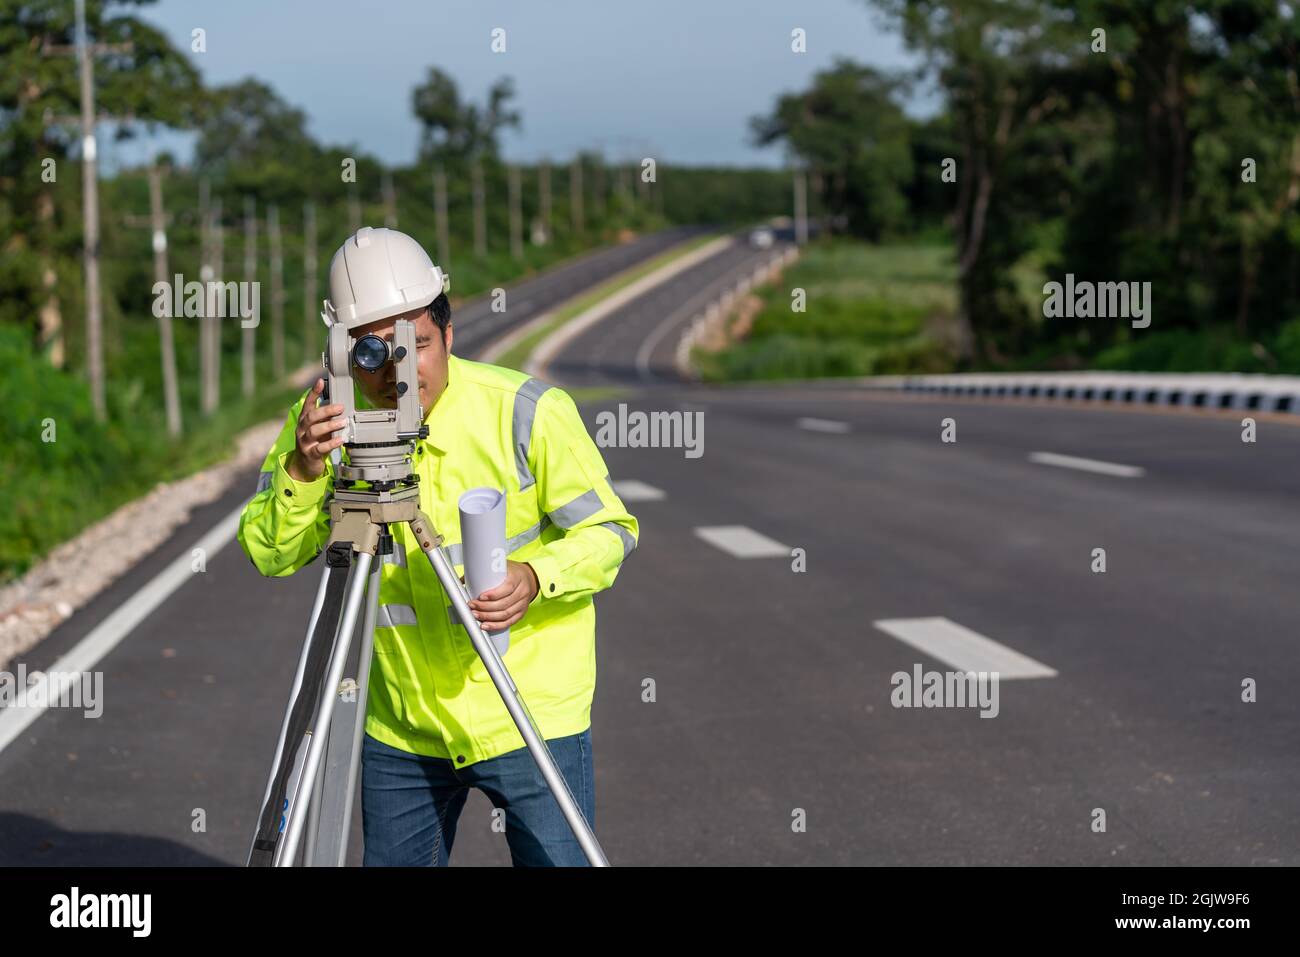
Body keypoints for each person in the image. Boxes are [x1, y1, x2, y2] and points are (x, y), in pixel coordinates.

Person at [237, 226, 639, 866]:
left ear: (449, 335)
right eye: (374, 350)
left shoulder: (526, 411)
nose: (397, 369)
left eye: (416, 343)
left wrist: (536, 575)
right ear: (342, 351)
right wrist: (305, 471)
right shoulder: (319, 424)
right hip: (402, 728)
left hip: (527, 711)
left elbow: (611, 532)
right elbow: (269, 552)